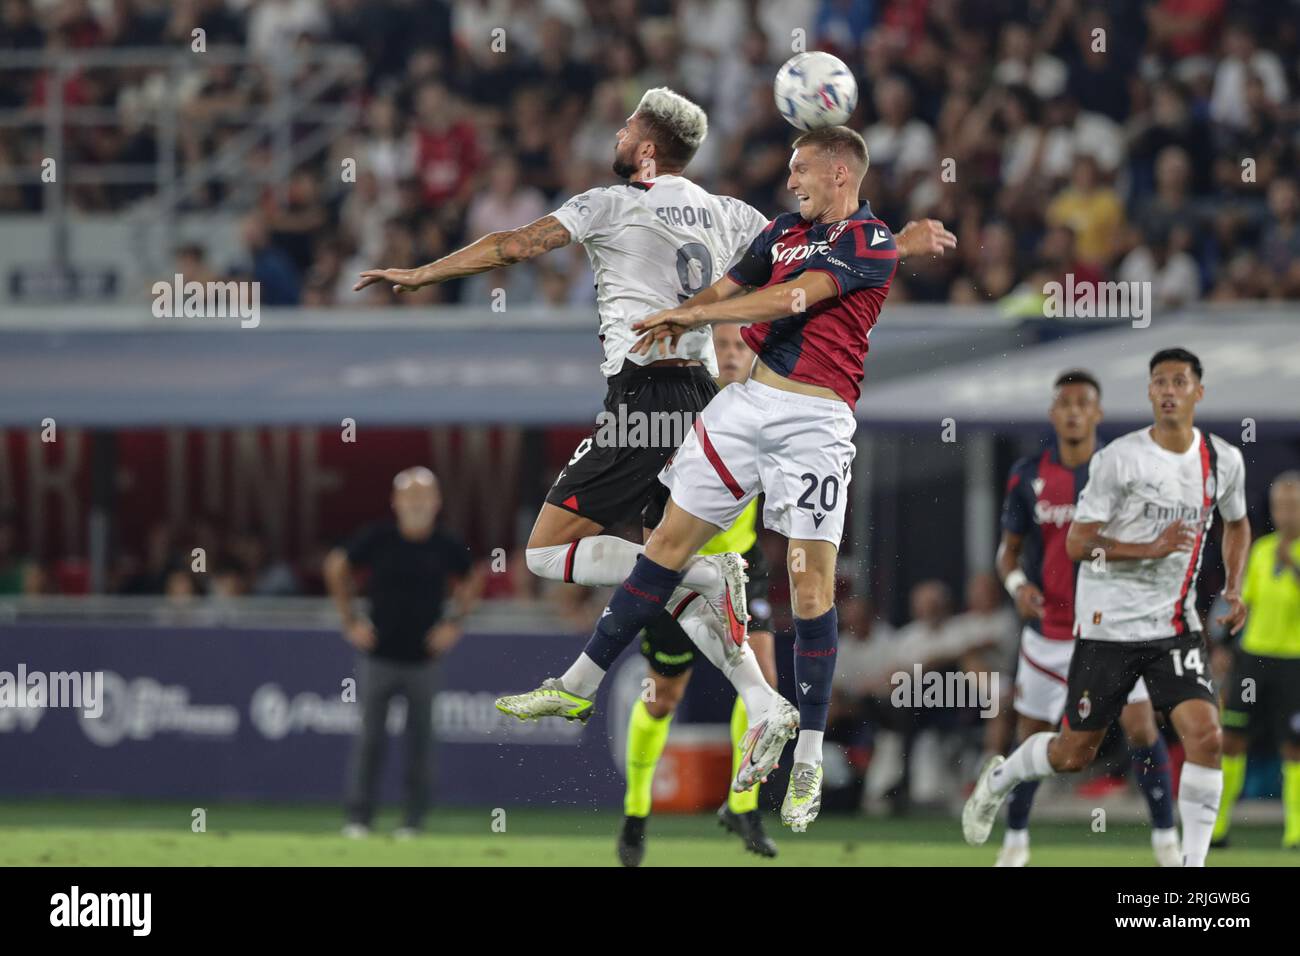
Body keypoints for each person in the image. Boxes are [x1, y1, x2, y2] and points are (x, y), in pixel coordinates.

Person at [357, 87, 952, 748]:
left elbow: (518, 244)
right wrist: (900, 242)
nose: (614, 134)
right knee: (663, 574)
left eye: (625, 126)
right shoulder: (733, 214)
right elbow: (831, 257)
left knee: (549, 551)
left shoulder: (610, 203)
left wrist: (421, 275)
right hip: (704, 395)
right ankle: (762, 700)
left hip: (644, 397)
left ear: (645, 148)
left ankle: (703, 577)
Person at [498, 125, 957, 831]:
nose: (791, 180)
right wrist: (688, 311)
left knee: (809, 585)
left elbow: (790, 300)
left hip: (815, 422)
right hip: (747, 405)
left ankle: (806, 754)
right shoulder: (781, 230)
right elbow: (733, 283)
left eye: (802, 169)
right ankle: (579, 683)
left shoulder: (867, 241)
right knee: (667, 544)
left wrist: (696, 312)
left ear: (840, 171)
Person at [964, 348, 1251, 868]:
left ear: (1197, 392)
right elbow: (1079, 543)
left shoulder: (1223, 459)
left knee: (1206, 736)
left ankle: (1185, 862)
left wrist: (1234, 585)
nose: (1168, 390)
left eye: (1179, 381)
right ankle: (1004, 778)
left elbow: (1237, 522)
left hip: (1172, 627)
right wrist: (1150, 547)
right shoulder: (1119, 459)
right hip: (1104, 629)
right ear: (1148, 392)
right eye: (1159, 381)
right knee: (1073, 753)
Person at [994, 369, 1180, 867]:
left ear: (1098, 413)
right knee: (1032, 739)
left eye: (1084, 403)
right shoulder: (1028, 475)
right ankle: (1014, 842)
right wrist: (1017, 586)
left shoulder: (1124, 474)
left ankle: (1168, 844)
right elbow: (1006, 554)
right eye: (1065, 403)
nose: (1074, 411)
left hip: (1111, 628)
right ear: (1054, 414)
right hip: (1047, 633)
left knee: (1142, 727)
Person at [618, 324, 780, 866]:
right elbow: (642, 490)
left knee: (763, 681)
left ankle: (743, 803)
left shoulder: (767, 412)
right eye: (724, 347)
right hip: (679, 567)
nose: (732, 355)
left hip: (742, 566)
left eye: (741, 347)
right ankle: (636, 811)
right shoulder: (679, 415)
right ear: (708, 357)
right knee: (663, 696)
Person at [323, 467, 482, 837]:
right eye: (410, 497)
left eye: (424, 497)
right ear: (396, 502)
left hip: (423, 660)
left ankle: (413, 821)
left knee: (421, 743)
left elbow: (474, 576)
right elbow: (336, 565)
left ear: (437, 502)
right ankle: (359, 818)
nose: (417, 504)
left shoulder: (446, 543)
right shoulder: (378, 537)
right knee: (369, 740)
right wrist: (350, 620)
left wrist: (454, 623)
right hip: (378, 655)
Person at [1214, 471, 1300, 849]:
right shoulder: (1261, 550)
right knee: (1231, 739)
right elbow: (1242, 603)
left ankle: (1295, 832)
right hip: (1254, 660)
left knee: (1295, 747)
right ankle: (1216, 829)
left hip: (1295, 663)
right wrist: (1223, 641)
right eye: (1280, 506)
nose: (1286, 514)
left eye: (1293, 506)